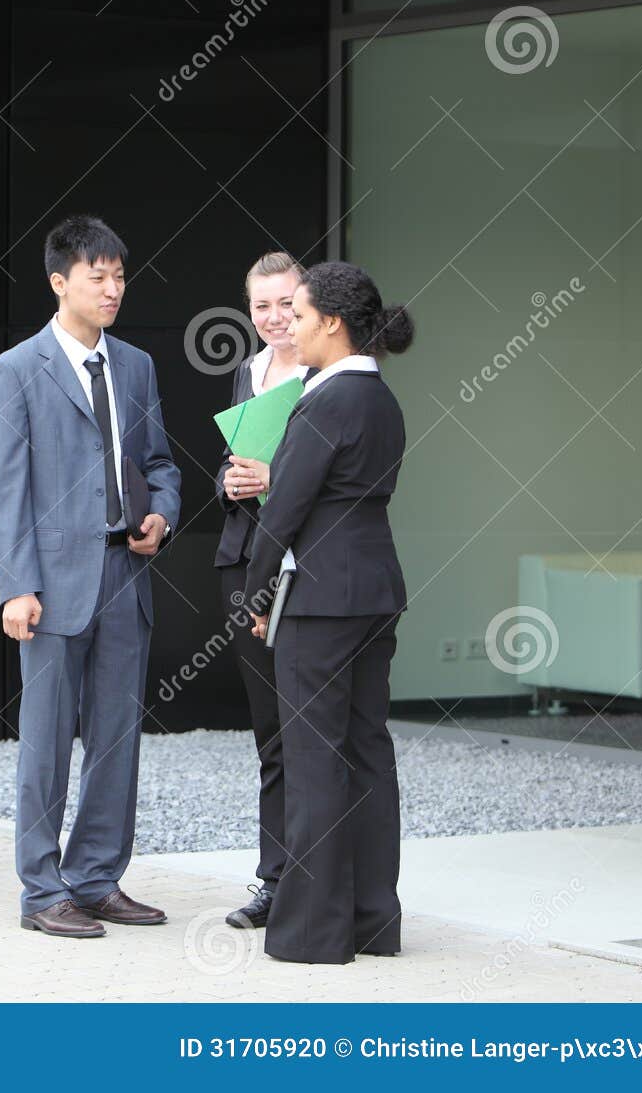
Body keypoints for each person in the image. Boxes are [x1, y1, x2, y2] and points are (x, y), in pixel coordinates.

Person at [0, 215, 182, 938]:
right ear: (59, 281)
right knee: (44, 738)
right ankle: (42, 890)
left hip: (126, 573)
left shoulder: (135, 366)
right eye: (98, 275)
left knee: (117, 735)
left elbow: (159, 462)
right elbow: (1, 491)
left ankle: (96, 877)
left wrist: (162, 514)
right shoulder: (14, 370)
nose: (113, 287)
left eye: (120, 275)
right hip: (52, 584)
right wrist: (15, 584)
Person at [246, 260, 414, 963]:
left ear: (334, 323)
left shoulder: (326, 401)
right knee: (369, 752)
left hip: (318, 598)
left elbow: (282, 511)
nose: (292, 326)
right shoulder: (383, 401)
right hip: (375, 589)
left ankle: (314, 934)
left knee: (315, 761)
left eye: (303, 315)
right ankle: (374, 921)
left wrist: (256, 595)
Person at [214, 252, 305, 930]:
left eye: (285, 303)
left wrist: (275, 479)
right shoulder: (247, 370)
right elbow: (233, 456)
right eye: (261, 307)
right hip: (246, 561)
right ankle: (274, 879)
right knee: (271, 730)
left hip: (309, 567)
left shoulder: (330, 373)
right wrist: (230, 479)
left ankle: (317, 878)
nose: (274, 318)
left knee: (315, 731)